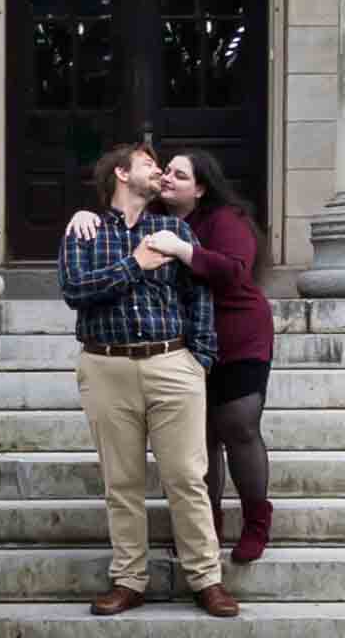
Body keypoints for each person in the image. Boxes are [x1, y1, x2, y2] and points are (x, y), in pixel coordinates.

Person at [58, 142, 240, 618]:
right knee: (122, 482)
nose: (159, 172)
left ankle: (207, 579)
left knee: (187, 478)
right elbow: (75, 290)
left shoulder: (173, 230)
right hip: (106, 367)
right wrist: (134, 264)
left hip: (171, 363)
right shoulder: (85, 231)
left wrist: (199, 360)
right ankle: (129, 580)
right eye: (149, 164)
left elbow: (198, 296)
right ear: (121, 174)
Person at [69, 148, 276, 563]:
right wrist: (83, 214)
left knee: (238, 425)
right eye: (165, 171)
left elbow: (235, 271)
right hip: (186, 341)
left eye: (180, 176)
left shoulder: (225, 220)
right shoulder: (156, 220)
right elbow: (118, 216)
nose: (166, 178)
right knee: (202, 437)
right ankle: (208, 525)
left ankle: (256, 522)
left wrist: (183, 250)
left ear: (200, 188)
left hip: (238, 335)